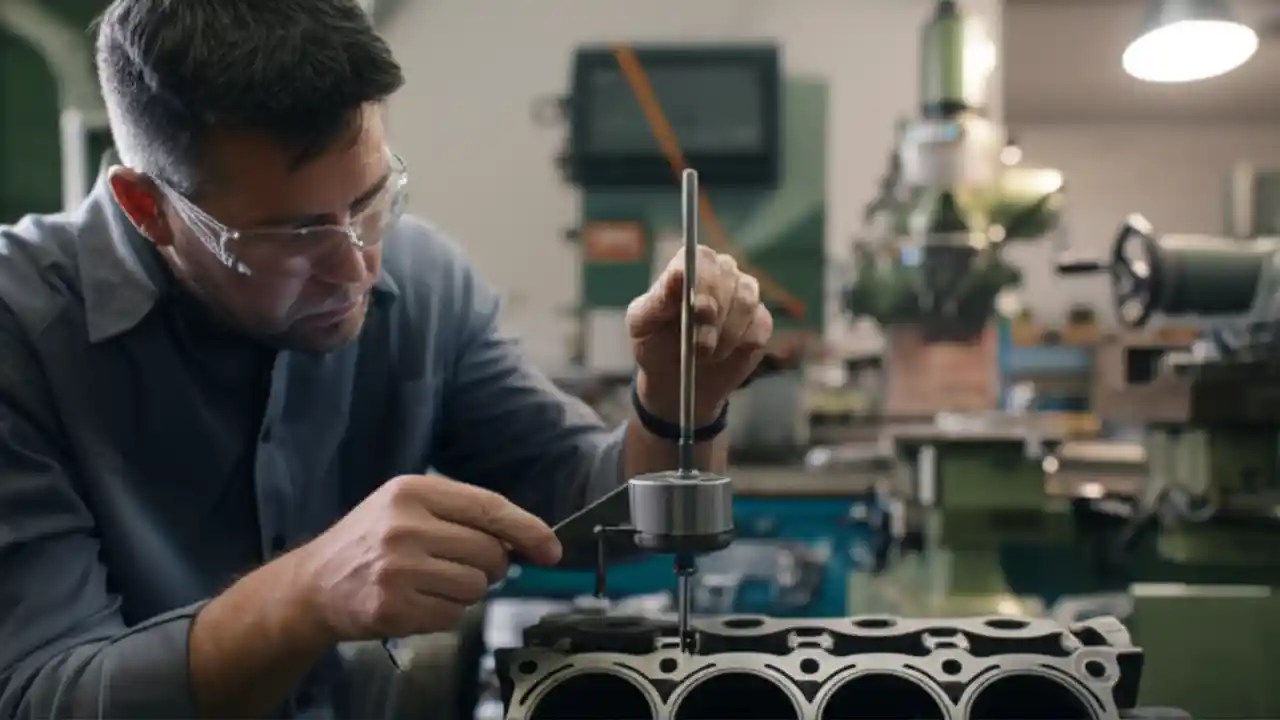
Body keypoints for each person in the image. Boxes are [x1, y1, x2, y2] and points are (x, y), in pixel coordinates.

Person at [0, 1, 773, 718]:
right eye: (296, 236)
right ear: (149, 207)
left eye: (372, 200)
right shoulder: (20, 336)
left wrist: (676, 396)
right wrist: (305, 594)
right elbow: (42, 696)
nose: (357, 267)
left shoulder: (422, 283)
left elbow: (584, 512)